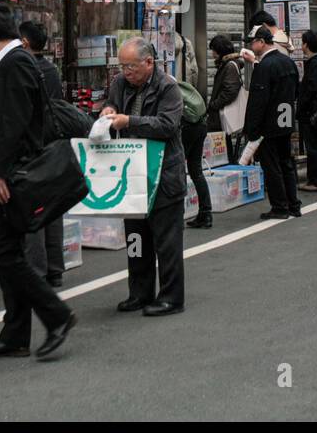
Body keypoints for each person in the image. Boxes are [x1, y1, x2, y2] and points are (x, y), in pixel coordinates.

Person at [0, 2, 76, 359]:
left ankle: (55, 315)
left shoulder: (15, 65)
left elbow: (13, 124)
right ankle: (15, 333)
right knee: (7, 253)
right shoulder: (19, 63)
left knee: (4, 253)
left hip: (12, 177)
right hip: (12, 174)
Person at [100, 37, 187, 315]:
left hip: (163, 171)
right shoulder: (120, 84)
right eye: (122, 66)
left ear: (149, 62)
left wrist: (130, 121)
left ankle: (171, 297)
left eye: (131, 66)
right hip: (131, 170)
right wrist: (109, 111)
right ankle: (139, 292)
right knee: (136, 238)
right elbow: (111, 105)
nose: (126, 72)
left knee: (166, 240)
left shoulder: (168, 87)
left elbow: (167, 125)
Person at [18, 20, 65, 287]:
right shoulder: (52, 69)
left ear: (24, 43)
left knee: (34, 209)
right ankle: (55, 269)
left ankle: (36, 271)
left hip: (32, 146)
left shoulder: (24, 70)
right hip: (53, 142)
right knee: (52, 207)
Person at [241, 25, 301, 219]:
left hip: (269, 124)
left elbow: (258, 100)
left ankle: (280, 207)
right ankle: (293, 204)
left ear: (261, 42)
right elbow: (295, 92)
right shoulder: (288, 62)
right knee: (286, 164)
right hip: (286, 119)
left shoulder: (265, 66)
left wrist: (252, 128)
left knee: (272, 166)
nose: (251, 45)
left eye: (253, 42)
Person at [296, 29, 317, 192]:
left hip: (311, 112)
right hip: (314, 111)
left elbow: (310, 90)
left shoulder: (314, 64)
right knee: (315, 146)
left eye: (302, 42)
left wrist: (301, 106)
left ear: (306, 45)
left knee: (313, 146)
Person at [205, 34, 244, 168]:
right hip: (220, 115)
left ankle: (229, 171)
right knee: (223, 147)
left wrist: (214, 105)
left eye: (214, 50)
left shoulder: (230, 66)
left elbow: (230, 91)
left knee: (223, 150)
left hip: (222, 114)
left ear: (220, 51)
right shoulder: (226, 65)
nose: (212, 53)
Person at [181, 71, 212, 230]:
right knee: (196, 171)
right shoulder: (176, 83)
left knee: (176, 170)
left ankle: (176, 217)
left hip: (186, 128)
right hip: (200, 125)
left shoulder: (160, 86)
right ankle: (206, 214)